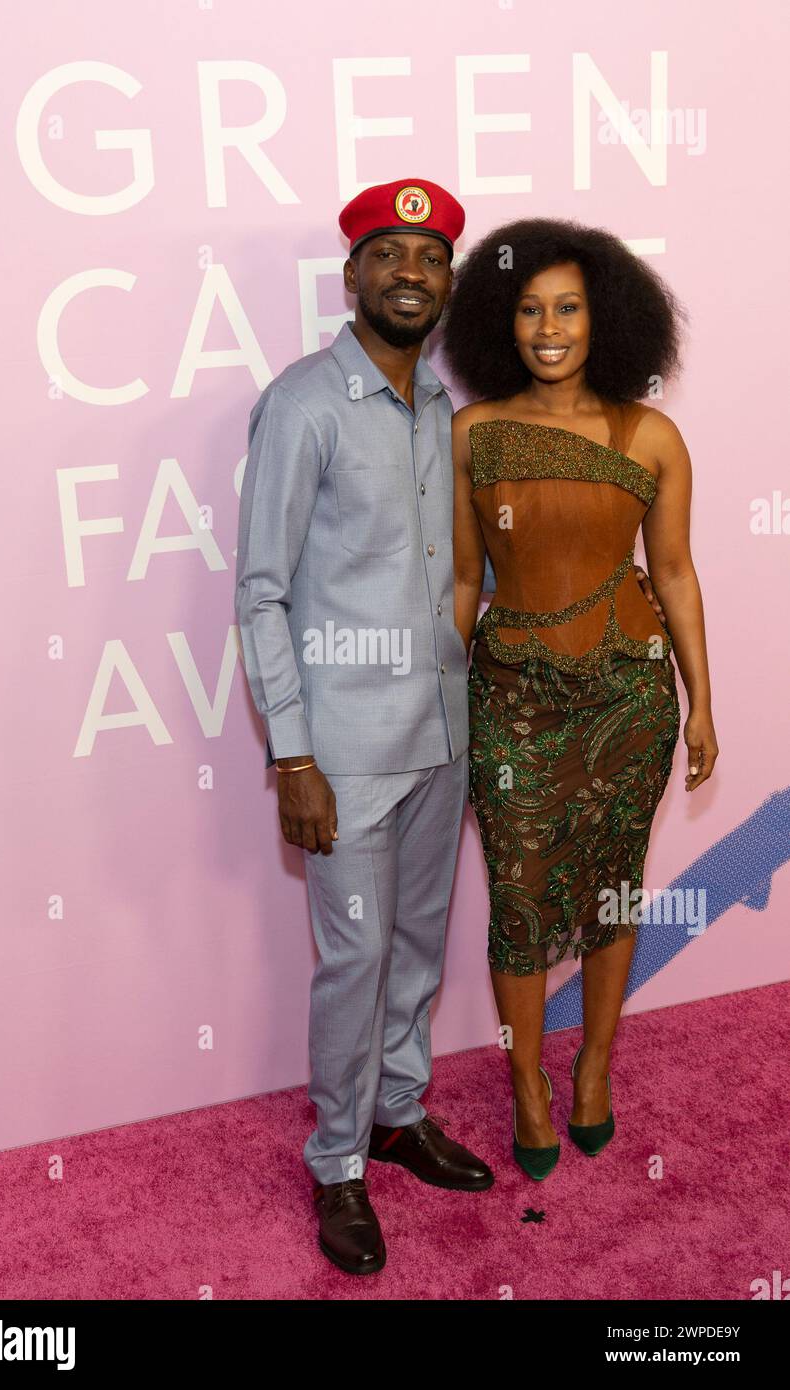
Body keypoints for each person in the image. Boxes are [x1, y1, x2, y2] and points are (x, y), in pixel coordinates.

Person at [235, 179, 495, 1277]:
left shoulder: (439, 406)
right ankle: (337, 1161)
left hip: (440, 730)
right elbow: (260, 592)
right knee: (353, 959)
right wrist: (291, 752)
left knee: (418, 949)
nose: (408, 274)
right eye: (386, 254)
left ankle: (397, 1112)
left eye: (427, 258)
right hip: (341, 749)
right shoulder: (304, 403)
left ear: (443, 281)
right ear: (350, 278)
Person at [443, 218, 718, 1180]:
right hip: (510, 695)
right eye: (528, 309)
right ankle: (527, 1087)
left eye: (568, 308)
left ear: (606, 321)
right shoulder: (471, 434)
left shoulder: (651, 435)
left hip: (629, 695)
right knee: (518, 903)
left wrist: (703, 703)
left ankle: (595, 1068)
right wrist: (437, 688)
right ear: (499, 322)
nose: (548, 327)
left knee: (611, 893)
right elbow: (464, 583)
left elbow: (675, 573)